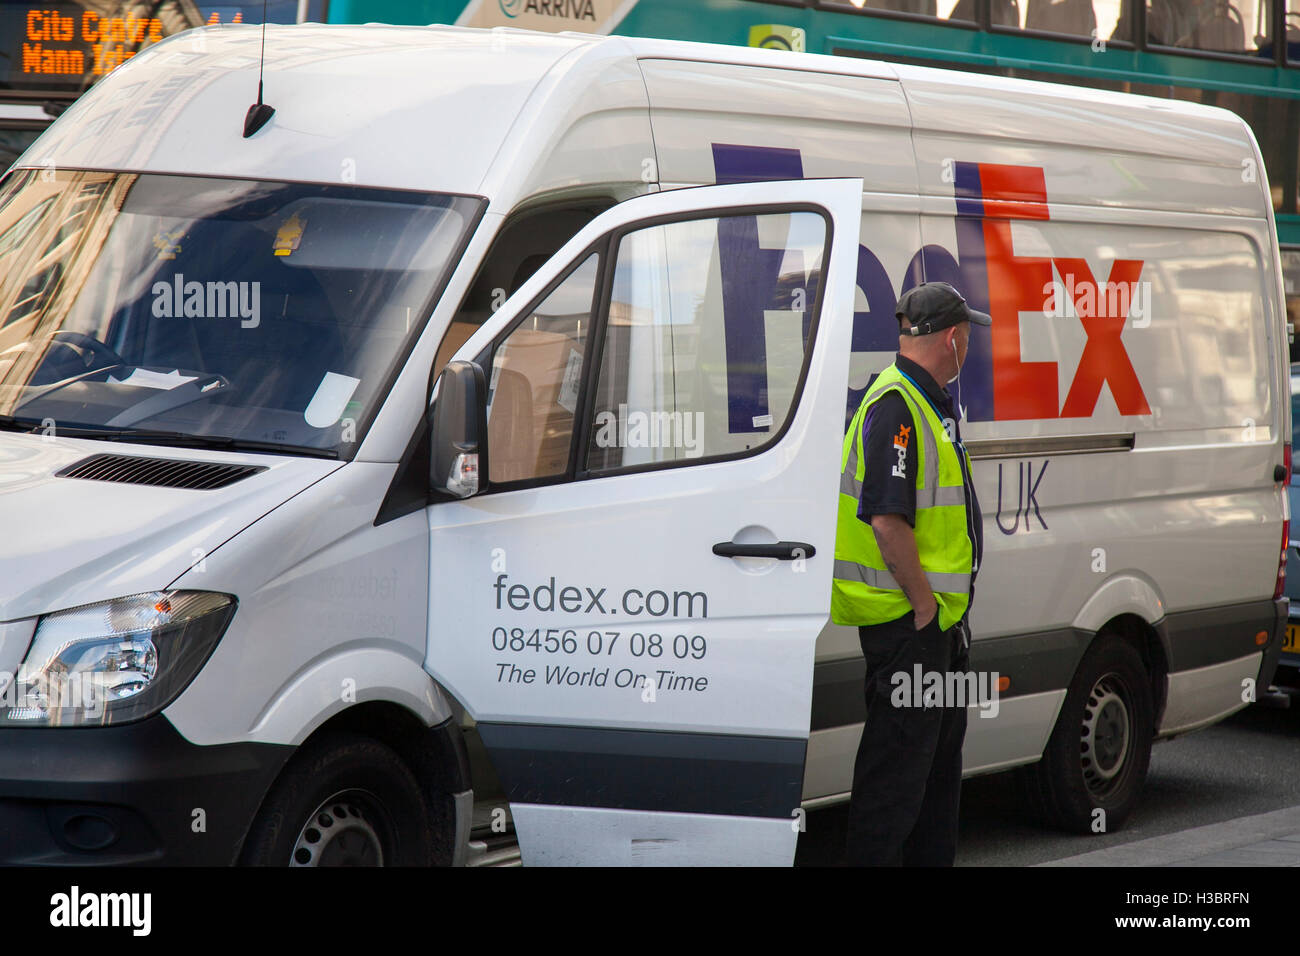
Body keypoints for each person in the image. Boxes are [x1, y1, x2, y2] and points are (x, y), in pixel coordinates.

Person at [833, 281, 988, 866]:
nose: (967, 346)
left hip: (936, 632)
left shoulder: (923, 402)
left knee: (935, 785)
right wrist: (926, 608)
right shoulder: (897, 405)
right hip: (909, 633)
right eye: (968, 335)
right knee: (894, 788)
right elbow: (886, 521)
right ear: (953, 339)